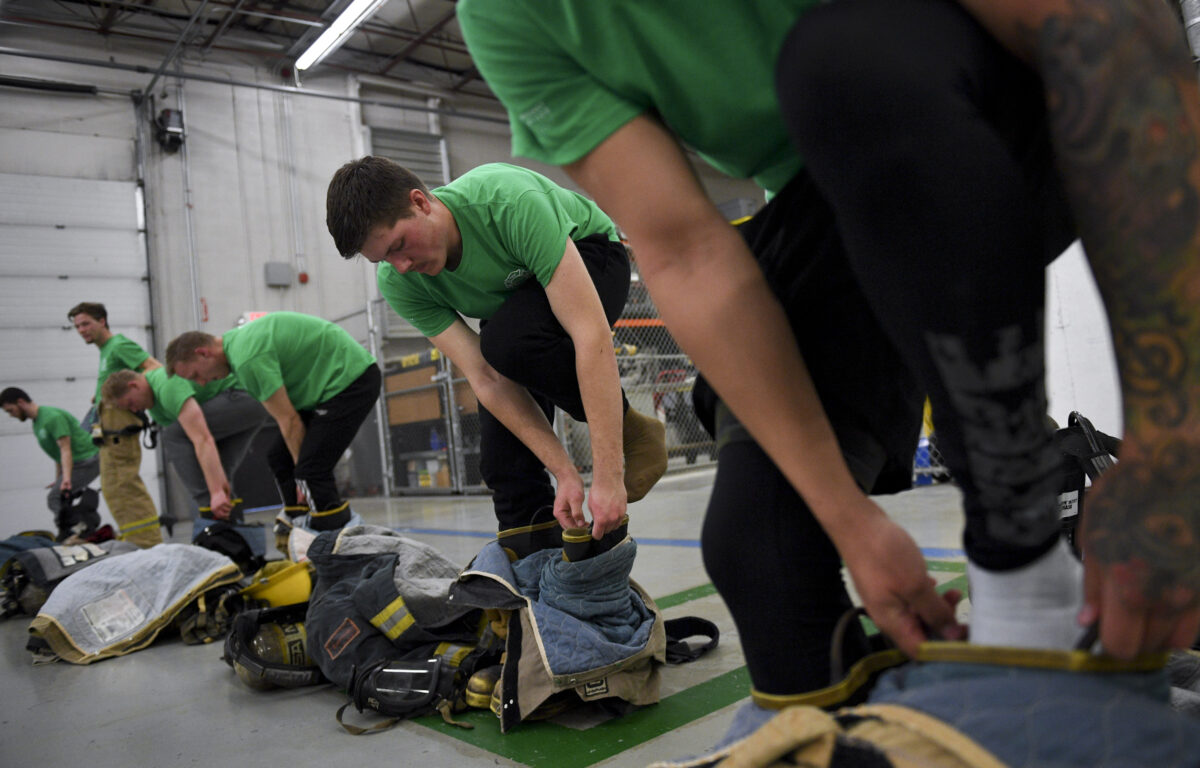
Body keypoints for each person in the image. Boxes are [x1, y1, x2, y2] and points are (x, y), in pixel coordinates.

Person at [457, 0, 1200, 702]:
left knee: (840, 64)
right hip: (841, 198)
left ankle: (1022, 557)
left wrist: (1175, 453)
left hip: (1018, 96)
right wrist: (850, 520)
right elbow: (686, 252)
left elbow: (1104, 30)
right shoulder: (506, 14)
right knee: (763, 554)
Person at [324, 159, 668, 559]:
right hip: (514, 311)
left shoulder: (507, 201)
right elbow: (485, 377)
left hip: (591, 253)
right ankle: (539, 573)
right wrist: (563, 470)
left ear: (420, 202)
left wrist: (609, 476)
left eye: (399, 245)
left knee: (511, 342)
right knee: (503, 461)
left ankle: (634, 432)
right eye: (383, 259)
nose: (401, 266)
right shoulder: (401, 282)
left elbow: (590, 337)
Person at [164, 312, 380, 537]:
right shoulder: (237, 345)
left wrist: (301, 481)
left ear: (203, 353)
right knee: (279, 458)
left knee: (310, 472)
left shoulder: (247, 359)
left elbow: (289, 421)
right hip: (323, 390)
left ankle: (335, 545)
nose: (202, 382)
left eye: (197, 374)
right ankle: (301, 524)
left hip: (350, 380)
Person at [101, 368, 272, 537]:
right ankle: (236, 543)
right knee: (222, 477)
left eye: (131, 403)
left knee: (173, 434)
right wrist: (218, 488)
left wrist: (213, 493)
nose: (135, 410)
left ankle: (208, 507)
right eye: (128, 409)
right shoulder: (156, 408)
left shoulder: (166, 387)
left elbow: (202, 439)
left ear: (134, 385)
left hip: (246, 397)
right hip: (249, 408)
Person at [68, 301, 162, 548]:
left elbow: (153, 368)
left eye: (86, 323)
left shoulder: (119, 345)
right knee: (113, 488)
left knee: (123, 485)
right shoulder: (107, 351)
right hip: (109, 430)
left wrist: (145, 402)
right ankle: (137, 539)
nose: (82, 330)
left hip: (119, 428)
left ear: (102, 321)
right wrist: (98, 396)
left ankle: (147, 543)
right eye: (77, 326)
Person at [0, 387, 100, 536]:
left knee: (55, 497)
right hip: (78, 462)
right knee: (60, 496)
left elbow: (65, 448)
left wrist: (66, 479)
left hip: (88, 459)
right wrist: (59, 478)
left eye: (10, 410)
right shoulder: (37, 422)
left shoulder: (51, 417)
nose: (11, 415)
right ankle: (76, 527)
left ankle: (79, 530)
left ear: (20, 402)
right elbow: (58, 454)